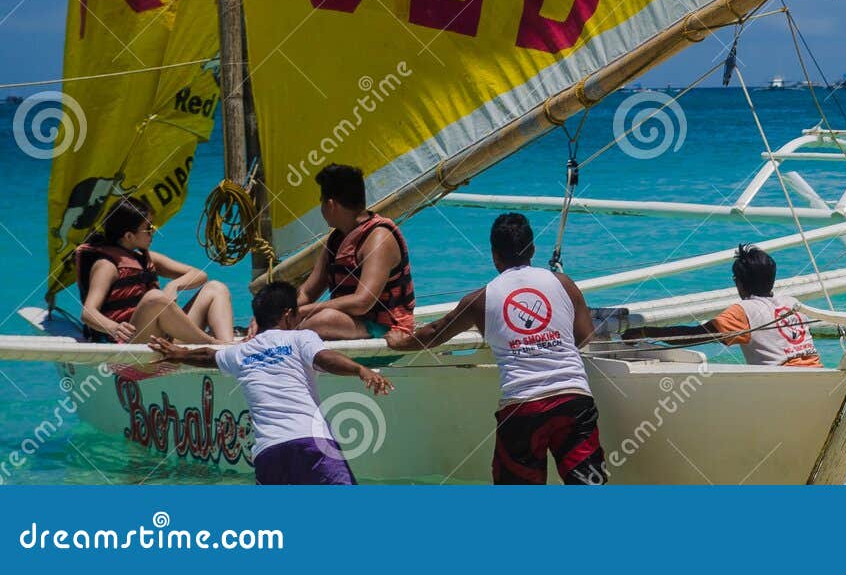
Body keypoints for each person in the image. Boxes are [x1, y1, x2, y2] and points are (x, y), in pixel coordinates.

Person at [386, 212, 606, 485]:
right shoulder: (563, 283)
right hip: (574, 400)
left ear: (494, 254)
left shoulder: (479, 300)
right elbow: (585, 336)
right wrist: (546, 339)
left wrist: (399, 341)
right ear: (533, 249)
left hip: (522, 408)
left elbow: (434, 332)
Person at [153, 281, 393, 485]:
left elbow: (208, 356)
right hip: (313, 444)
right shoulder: (301, 337)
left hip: (269, 452)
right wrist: (360, 369)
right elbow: (324, 359)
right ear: (289, 315)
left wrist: (179, 354)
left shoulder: (243, 351)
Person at [625, 244, 822, 368]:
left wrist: (644, 332)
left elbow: (693, 336)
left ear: (738, 283)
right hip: (818, 375)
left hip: (782, 384)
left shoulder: (744, 311)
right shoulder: (792, 303)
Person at [77, 200, 233, 344]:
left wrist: (174, 285)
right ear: (129, 236)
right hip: (133, 346)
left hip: (163, 338)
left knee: (216, 288)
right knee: (154, 298)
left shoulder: (147, 259)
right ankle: (214, 345)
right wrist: (114, 328)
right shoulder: (106, 266)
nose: (154, 232)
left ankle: (229, 348)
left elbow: (200, 275)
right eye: (149, 228)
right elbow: (88, 313)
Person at [294, 164, 416, 340]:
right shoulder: (336, 239)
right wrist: (277, 314)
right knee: (316, 318)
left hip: (388, 330)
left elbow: (362, 302)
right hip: (350, 323)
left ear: (331, 204)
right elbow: (306, 293)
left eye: (321, 202)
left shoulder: (379, 238)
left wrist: (303, 312)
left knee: (324, 319)